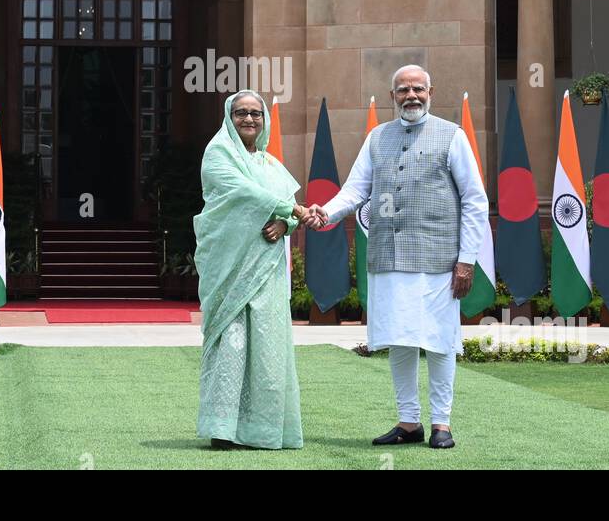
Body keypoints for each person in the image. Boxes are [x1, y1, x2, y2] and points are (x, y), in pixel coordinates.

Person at [305, 65, 488, 449]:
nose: (411, 96)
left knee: (439, 341)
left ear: (431, 92)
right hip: (389, 258)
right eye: (403, 90)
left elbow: (475, 200)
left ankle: (442, 423)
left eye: (418, 89)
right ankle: (409, 423)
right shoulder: (376, 138)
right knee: (399, 339)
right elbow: (355, 190)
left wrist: (467, 259)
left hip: (440, 260)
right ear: (392, 96)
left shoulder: (451, 136)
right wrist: (326, 212)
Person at [194, 90, 310, 450]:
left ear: (265, 121)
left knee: (266, 346)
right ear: (230, 116)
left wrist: (286, 224)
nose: (249, 119)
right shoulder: (218, 154)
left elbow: (290, 208)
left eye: (256, 114)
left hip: (266, 268)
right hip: (230, 268)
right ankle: (223, 429)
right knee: (231, 343)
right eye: (241, 112)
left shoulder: (270, 164)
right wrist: (288, 212)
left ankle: (262, 429)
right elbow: (240, 193)